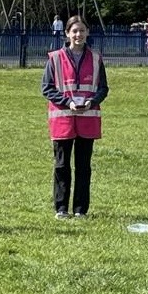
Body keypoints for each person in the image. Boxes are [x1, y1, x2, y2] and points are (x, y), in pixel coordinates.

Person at [41, 16, 109, 219]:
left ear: (88, 32)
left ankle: (80, 209)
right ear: (67, 33)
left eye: (82, 31)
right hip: (63, 118)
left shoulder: (96, 58)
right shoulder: (54, 58)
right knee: (61, 165)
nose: (78, 35)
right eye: (74, 31)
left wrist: (92, 100)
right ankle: (61, 208)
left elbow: (103, 88)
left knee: (83, 166)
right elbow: (47, 87)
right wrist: (67, 102)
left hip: (87, 118)